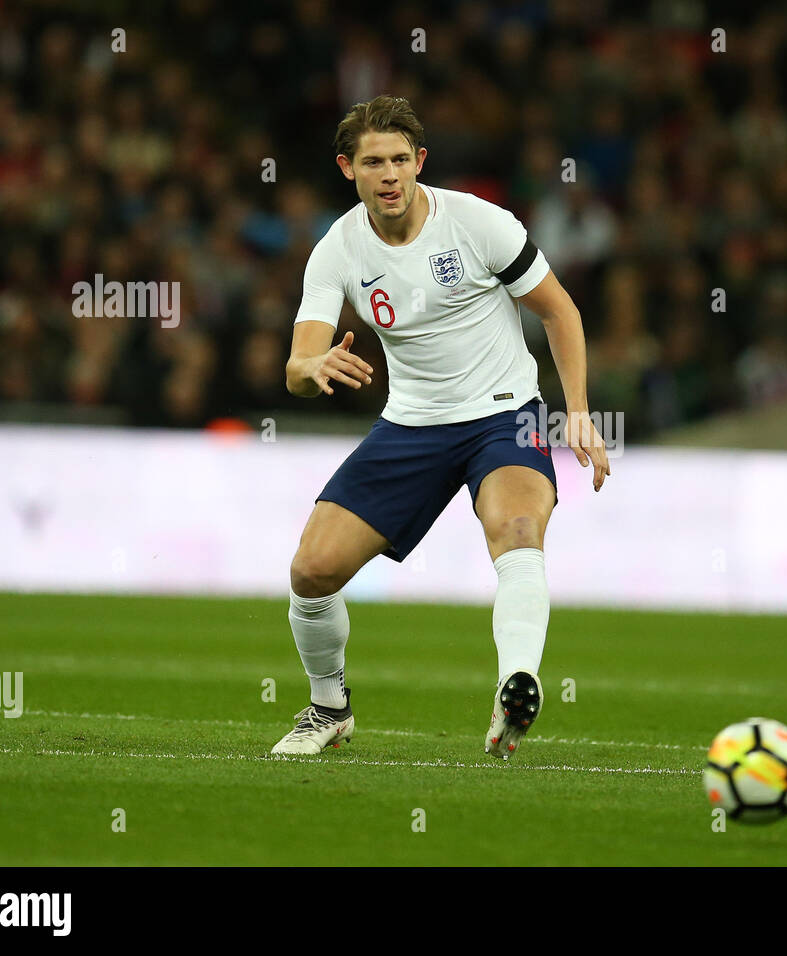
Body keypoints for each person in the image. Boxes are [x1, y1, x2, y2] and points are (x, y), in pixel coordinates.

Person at [271, 96, 609, 760]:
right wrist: (313, 369)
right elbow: (296, 367)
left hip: (504, 412)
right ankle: (328, 708)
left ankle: (517, 681)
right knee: (311, 572)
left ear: (420, 162)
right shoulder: (337, 249)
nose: (390, 174)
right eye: (374, 162)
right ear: (348, 169)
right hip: (413, 425)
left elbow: (560, 312)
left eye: (401, 159)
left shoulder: (480, 224)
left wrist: (576, 411)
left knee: (517, 531)